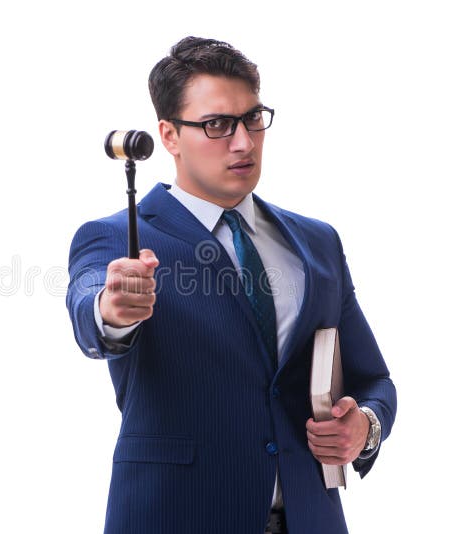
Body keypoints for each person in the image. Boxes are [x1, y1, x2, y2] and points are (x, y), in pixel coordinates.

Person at [66, 36, 397, 534]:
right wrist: (111, 310)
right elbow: (90, 304)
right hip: (177, 518)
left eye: (252, 118)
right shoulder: (117, 237)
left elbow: (374, 381)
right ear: (169, 135)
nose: (243, 142)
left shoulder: (317, 242)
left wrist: (364, 427)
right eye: (217, 124)